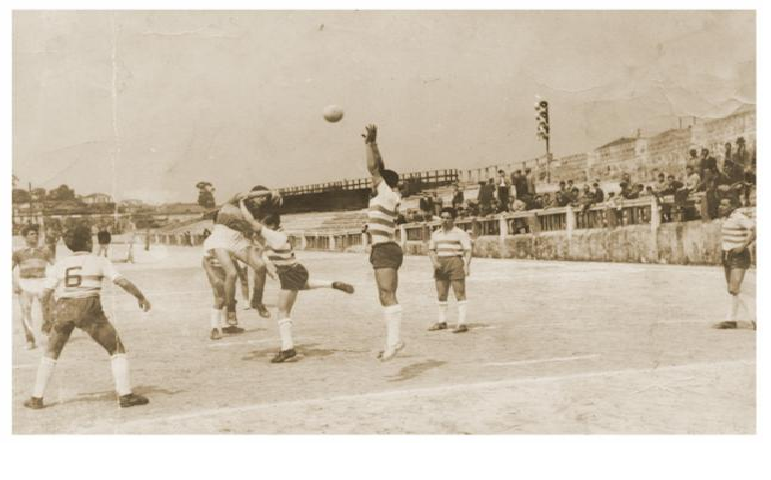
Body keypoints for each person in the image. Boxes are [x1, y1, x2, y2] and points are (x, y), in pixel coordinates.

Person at [23, 225, 152, 410]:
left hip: (63, 307)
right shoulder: (98, 261)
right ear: (87, 242)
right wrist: (140, 297)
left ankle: (36, 397)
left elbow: (45, 294)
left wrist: (49, 315)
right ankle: (125, 395)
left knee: (51, 352)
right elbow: (121, 281)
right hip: (88, 306)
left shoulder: (61, 264)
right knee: (116, 348)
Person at [251, 213, 354, 362]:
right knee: (302, 288)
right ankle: (332, 284)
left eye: (265, 226)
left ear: (272, 226)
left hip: (290, 273)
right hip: (294, 271)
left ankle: (287, 349)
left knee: (283, 310)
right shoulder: (277, 236)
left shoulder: (276, 237)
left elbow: (259, 233)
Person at [203, 186, 277, 325]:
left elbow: (253, 237)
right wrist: (270, 192)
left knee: (260, 266)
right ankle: (231, 308)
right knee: (231, 274)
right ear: (253, 195)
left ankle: (257, 301)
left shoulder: (251, 214)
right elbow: (249, 194)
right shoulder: (234, 201)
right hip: (220, 239)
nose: (262, 200)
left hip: (237, 240)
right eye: (260, 197)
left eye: (265, 199)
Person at [362, 124, 405, 361]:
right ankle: (392, 340)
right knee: (384, 295)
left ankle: (395, 341)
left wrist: (369, 143)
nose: (370, 181)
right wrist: (375, 144)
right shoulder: (387, 195)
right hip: (383, 248)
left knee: (387, 294)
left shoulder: (387, 193)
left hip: (385, 249)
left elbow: (373, 167)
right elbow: (379, 166)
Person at [427, 208, 472, 333]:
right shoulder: (436, 234)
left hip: (455, 262)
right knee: (441, 294)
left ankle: (462, 323)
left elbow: (468, 250)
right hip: (441, 263)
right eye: (443, 217)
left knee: (459, 293)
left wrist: (466, 265)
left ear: (453, 219)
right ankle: (442, 322)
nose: (445, 220)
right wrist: (434, 261)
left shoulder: (460, 233)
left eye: (448, 218)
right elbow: (431, 250)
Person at [12, 224, 55, 350]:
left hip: (41, 282)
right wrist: (14, 284)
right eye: (31, 234)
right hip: (25, 284)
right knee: (25, 312)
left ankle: (47, 330)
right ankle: (30, 340)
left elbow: (55, 266)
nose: (35, 236)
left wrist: (52, 282)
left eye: (36, 234)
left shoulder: (45, 250)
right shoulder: (18, 253)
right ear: (25, 237)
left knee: (49, 308)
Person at [713, 207, 756, 330]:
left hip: (739, 255)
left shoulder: (738, 217)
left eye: (725, 204)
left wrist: (744, 245)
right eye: (721, 204)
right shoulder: (726, 219)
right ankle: (731, 320)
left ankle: (756, 318)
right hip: (728, 255)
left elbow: (755, 229)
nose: (722, 207)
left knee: (735, 288)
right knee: (732, 290)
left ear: (732, 205)